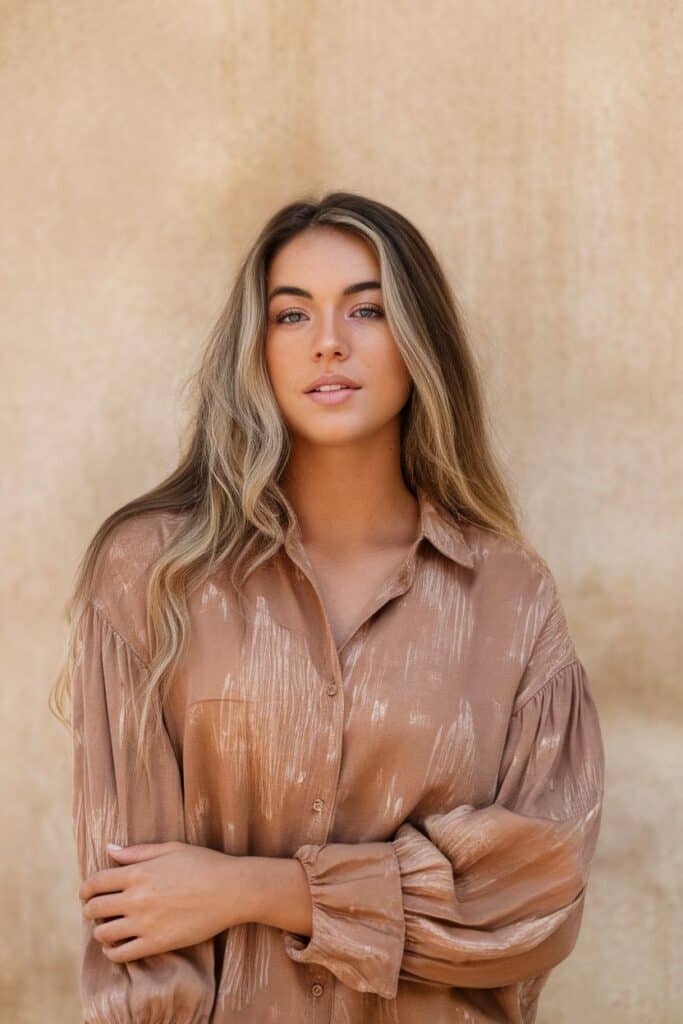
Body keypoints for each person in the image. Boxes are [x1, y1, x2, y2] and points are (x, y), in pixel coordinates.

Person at [51, 190, 605, 1024]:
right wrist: (386, 897)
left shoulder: (508, 594)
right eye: (290, 315)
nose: (329, 343)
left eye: (368, 309)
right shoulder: (153, 575)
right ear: (257, 349)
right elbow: (140, 919)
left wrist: (263, 890)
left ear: (420, 343)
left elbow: (529, 905)